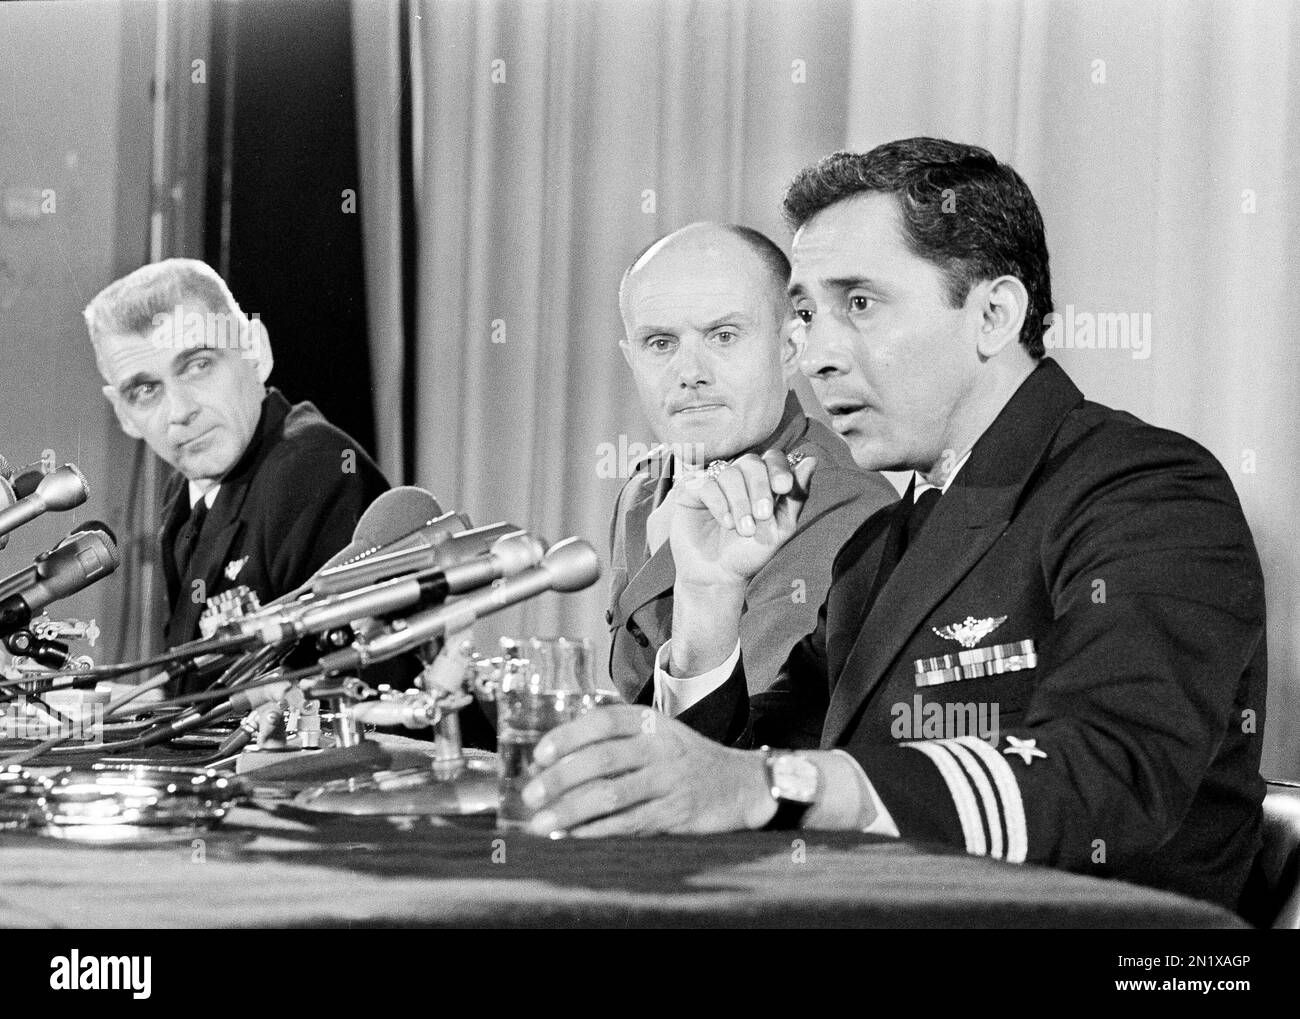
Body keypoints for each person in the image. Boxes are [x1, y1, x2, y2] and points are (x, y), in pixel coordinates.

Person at [523, 139, 1267, 913]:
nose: (816, 355)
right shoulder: (884, 544)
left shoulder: (1147, 488)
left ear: (993, 314)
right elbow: (729, 794)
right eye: (807, 313)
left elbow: (1110, 774)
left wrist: (774, 784)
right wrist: (709, 602)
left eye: (861, 304)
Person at [608, 223, 894, 702]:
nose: (690, 374)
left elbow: (738, 735)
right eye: (660, 343)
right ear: (631, 358)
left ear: (790, 348)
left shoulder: (843, 508)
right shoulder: (643, 489)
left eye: (723, 336)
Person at [84, 259, 389, 688]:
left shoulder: (311, 470)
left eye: (198, 365)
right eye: (146, 390)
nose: (180, 411)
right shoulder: (188, 489)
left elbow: (341, 710)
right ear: (124, 414)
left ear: (255, 352)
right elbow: (200, 695)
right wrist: (86, 711)